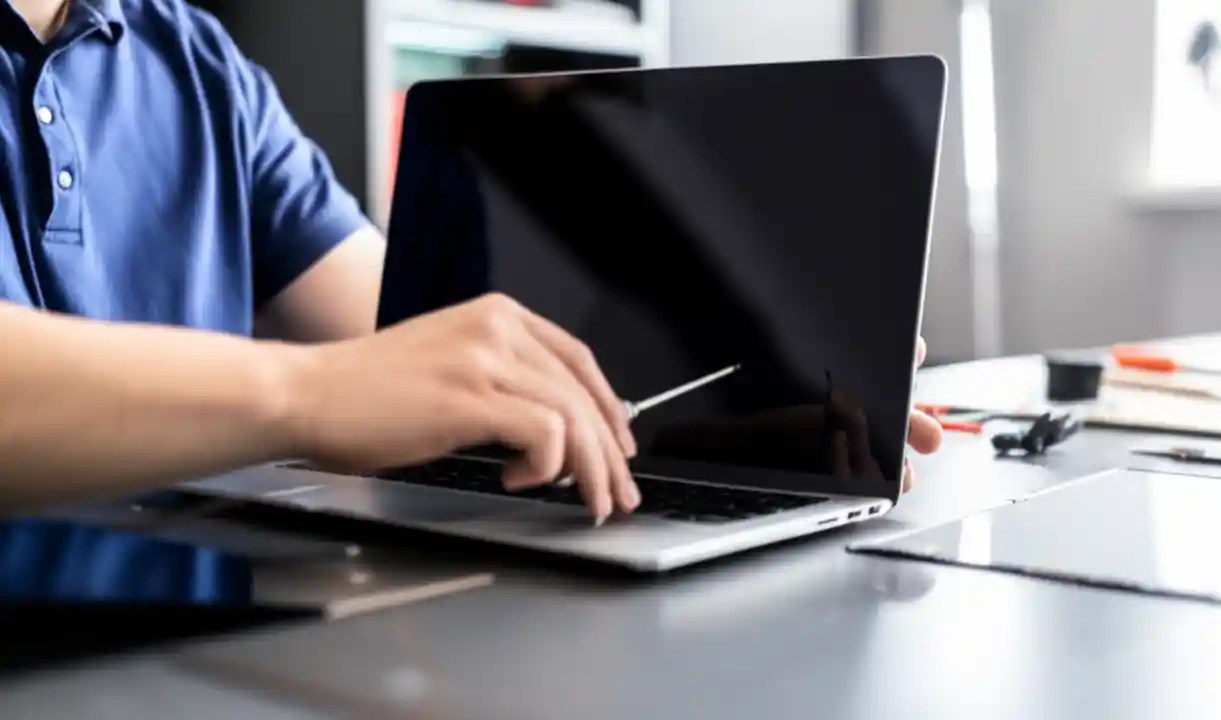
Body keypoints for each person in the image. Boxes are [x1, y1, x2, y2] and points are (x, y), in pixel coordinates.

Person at [0, 0, 943, 523]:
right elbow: (352, 382)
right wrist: (316, 396)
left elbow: (418, 354)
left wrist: (694, 432)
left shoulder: (198, 63)